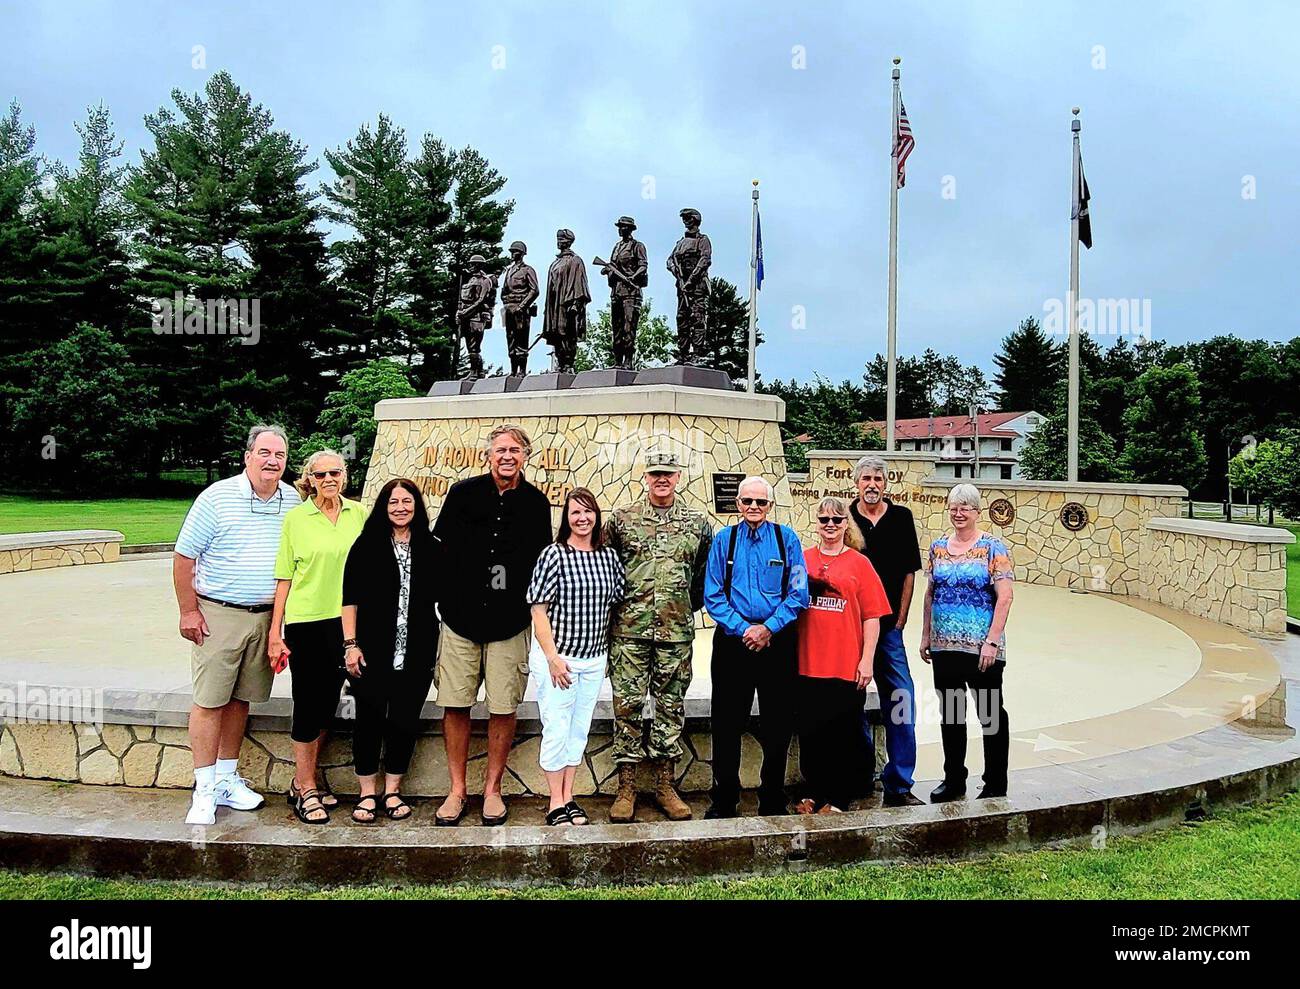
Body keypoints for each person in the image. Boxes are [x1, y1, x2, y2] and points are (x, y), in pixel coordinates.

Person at [173, 424, 300, 826]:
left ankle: (227, 777)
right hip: (219, 614)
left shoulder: (292, 500)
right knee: (210, 700)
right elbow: (183, 558)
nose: (271, 461)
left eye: (279, 455)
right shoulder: (217, 497)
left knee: (241, 698)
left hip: (265, 617)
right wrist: (188, 611)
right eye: (264, 453)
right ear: (248, 456)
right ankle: (204, 788)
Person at [432, 424, 552, 826]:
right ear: (488, 454)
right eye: (500, 449)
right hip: (460, 619)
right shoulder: (462, 494)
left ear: (525, 456)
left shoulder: (536, 504)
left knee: (503, 707)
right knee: (455, 703)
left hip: (509, 622)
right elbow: (440, 549)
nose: (507, 456)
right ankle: (456, 789)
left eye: (515, 450)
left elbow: (542, 565)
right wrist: (445, 599)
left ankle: (493, 790)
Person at [604, 451, 713, 822]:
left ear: (678, 476)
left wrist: (678, 606)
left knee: (670, 707)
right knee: (628, 707)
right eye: (655, 474)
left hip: (675, 632)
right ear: (645, 477)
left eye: (668, 473)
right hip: (629, 632)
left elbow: (702, 576)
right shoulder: (622, 520)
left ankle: (666, 785)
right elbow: (606, 569)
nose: (661, 479)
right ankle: (627, 786)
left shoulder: (697, 523)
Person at [702, 476, 808, 818]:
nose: (754, 508)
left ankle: (772, 797)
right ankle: (724, 799)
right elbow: (713, 595)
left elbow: (798, 593)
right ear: (737, 503)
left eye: (761, 502)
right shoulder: (724, 541)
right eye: (747, 501)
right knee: (726, 723)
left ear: (770, 506)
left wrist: (768, 628)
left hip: (776, 642)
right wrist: (745, 628)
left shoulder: (786, 539)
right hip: (734, 643)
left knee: (778, 723)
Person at [270, 449, 365, 824]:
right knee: (309, 703)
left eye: (335, 473)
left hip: (351, 622)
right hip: (308, 622)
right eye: (321, 474)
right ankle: (306, 786)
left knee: (330, 705)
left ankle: (302, 781)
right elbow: (284, 577)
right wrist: (275, 633)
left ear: (345, 476)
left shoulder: (359, 514)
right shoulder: (297, 519)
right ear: (309, 479)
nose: (329, 480)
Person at [341, 479, 442, 824]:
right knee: (368, 720)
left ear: (417, 506)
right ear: (384, 507)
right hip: (371, 651)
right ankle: (367, 793)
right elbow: (349, 599)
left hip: (416, 652)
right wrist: (350, 645)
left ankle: (393, 790)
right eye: (393, 502)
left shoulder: (431, 546)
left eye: (407, 501)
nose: (401, 507)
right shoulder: (366, 545)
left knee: (404, 721)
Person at [527, 488, 625, 826]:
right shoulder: (554, 555)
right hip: (559, 660)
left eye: (588, 512)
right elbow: (538, 611)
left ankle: (570, 796)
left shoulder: (609, 558)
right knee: (556, 728)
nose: (582, 519)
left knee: (579, 730)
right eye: (575, 513)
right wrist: (553, 658)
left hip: (593, 660)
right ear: (566, 518)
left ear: (596, 515)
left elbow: (615, 605)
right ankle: (555, 801)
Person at [794, 497, 892, 814]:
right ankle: (814, 792)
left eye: (837, 520)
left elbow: (873, 616)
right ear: (817, 523)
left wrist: (867, 660)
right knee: (811, 734)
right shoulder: (803, 559)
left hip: (845, 663)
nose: (831, 525)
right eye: (824, 520)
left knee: (842, 734)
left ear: (846, 524)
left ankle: (838, 798)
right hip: (808, 663)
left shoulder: (859, 564)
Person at [920, 483, 1015, 802]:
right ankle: (953, 779)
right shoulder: (937, 547)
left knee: (990, 713)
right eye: (953, 507)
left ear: (977, 511)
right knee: (951, 713)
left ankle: (995, 782)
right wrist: (925, 635)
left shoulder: (993, 547)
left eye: (965, 507)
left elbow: (1005, 596)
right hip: (945, 646)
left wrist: (991, 641)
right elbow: (930, 594)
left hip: (981, 651)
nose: (959, 513)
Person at [849, 455, 924, 807]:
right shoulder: (845, 517)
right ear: (857, 483)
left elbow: (910, 572)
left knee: (900, 699)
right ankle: (861, 774)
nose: (872, 484)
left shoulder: (902, 518)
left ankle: (899, 783)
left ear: (886, 483)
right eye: (866, 478)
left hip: (889, 628)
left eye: (878, 478)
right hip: (854, 630)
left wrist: (902, 617)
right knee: (851, 703)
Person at [600, 216, 648, 369]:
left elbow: (643, 265)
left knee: (629, 328)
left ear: (630, 229)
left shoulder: (637, 246)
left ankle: (628, 360)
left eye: (623, 227)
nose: (620, 229)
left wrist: (632, 277)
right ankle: (617, 361)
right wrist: (607, 270)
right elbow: (611, 265)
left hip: (631, 292)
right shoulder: (616, 247)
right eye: (619, 227)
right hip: (617, 292)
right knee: (617, 328)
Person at [665, 207, 712, 365]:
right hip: (682, 286)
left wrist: (690, 281)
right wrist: (677, 273)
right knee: (682, 319)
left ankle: (697, 353)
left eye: (688, 218)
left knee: (697, 318)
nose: (685, 221)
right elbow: (669, 261)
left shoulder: (702, 240)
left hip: (697, 286)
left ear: (695, 219)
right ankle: (683, 353)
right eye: (683, 218)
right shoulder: (680, 243)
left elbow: (704, 261)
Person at [542, 229, 591, 374]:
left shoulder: (575, 260)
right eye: (558, 239)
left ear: (568, 242)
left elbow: (580, 283)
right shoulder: (555, 262)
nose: (559, 242)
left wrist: (576, 303)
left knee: (568, 334)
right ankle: (560, 363)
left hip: (568, 304)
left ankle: (568, 363)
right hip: (555, 305)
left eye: (562, 240)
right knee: (556, 334)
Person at [500, 241, 539, 377]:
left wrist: (522, 306)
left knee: (521, 340)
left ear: (522, 254)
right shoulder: (509, 271)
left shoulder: (528, 270)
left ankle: (522, 371)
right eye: (511, 251)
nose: (512, 254)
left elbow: (534, 290)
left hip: (521, 310)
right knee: (510, 339)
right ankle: (513, 370)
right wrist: (505, 304)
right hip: (508, 309)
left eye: (515, 251)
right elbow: (503, 291)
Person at [456, 254, 497, 380]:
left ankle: (474, 372)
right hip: (468, 316)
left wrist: (466, 311)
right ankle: (479, 371)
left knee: (474, 346)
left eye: (473, 264)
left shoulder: (485, 281)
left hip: (477, 317)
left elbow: (481, 300)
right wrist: (459, 312)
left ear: (479, 265)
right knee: (470, 345)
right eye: (470, 264)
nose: (471, 266)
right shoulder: (471, 280)